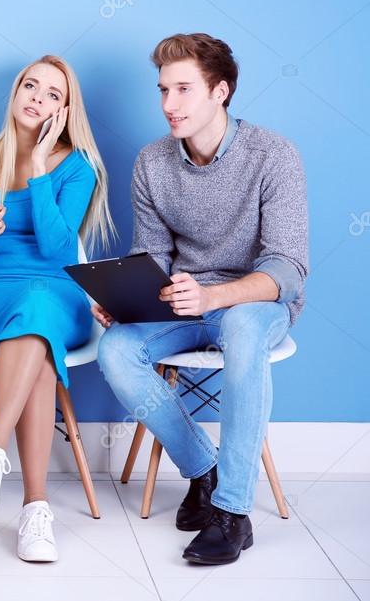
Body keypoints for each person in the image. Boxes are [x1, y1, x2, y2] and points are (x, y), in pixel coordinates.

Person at [95, 33, 308, 565]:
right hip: (185, 302)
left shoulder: (274, 155)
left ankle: (233, 512)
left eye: (183, 90)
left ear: (220, 91)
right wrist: (127, 297)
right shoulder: (152, 162)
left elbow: (287, 270)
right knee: (115, 348)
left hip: (253, 304)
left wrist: (215, 296)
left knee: (241, 329)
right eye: (163, 90)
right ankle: (203, 470)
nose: (169, 104)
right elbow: (152, 255)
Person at [0, 55, 115, 561]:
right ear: (16, 91)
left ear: (64, 111)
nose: (37, 98)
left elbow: (59, 249)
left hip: (58, 293)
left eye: (52, 94)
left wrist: (39, 169)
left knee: (38, 311)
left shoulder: (78, 167)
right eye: (31, 86)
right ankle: (35, 511)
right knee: (37, 347)